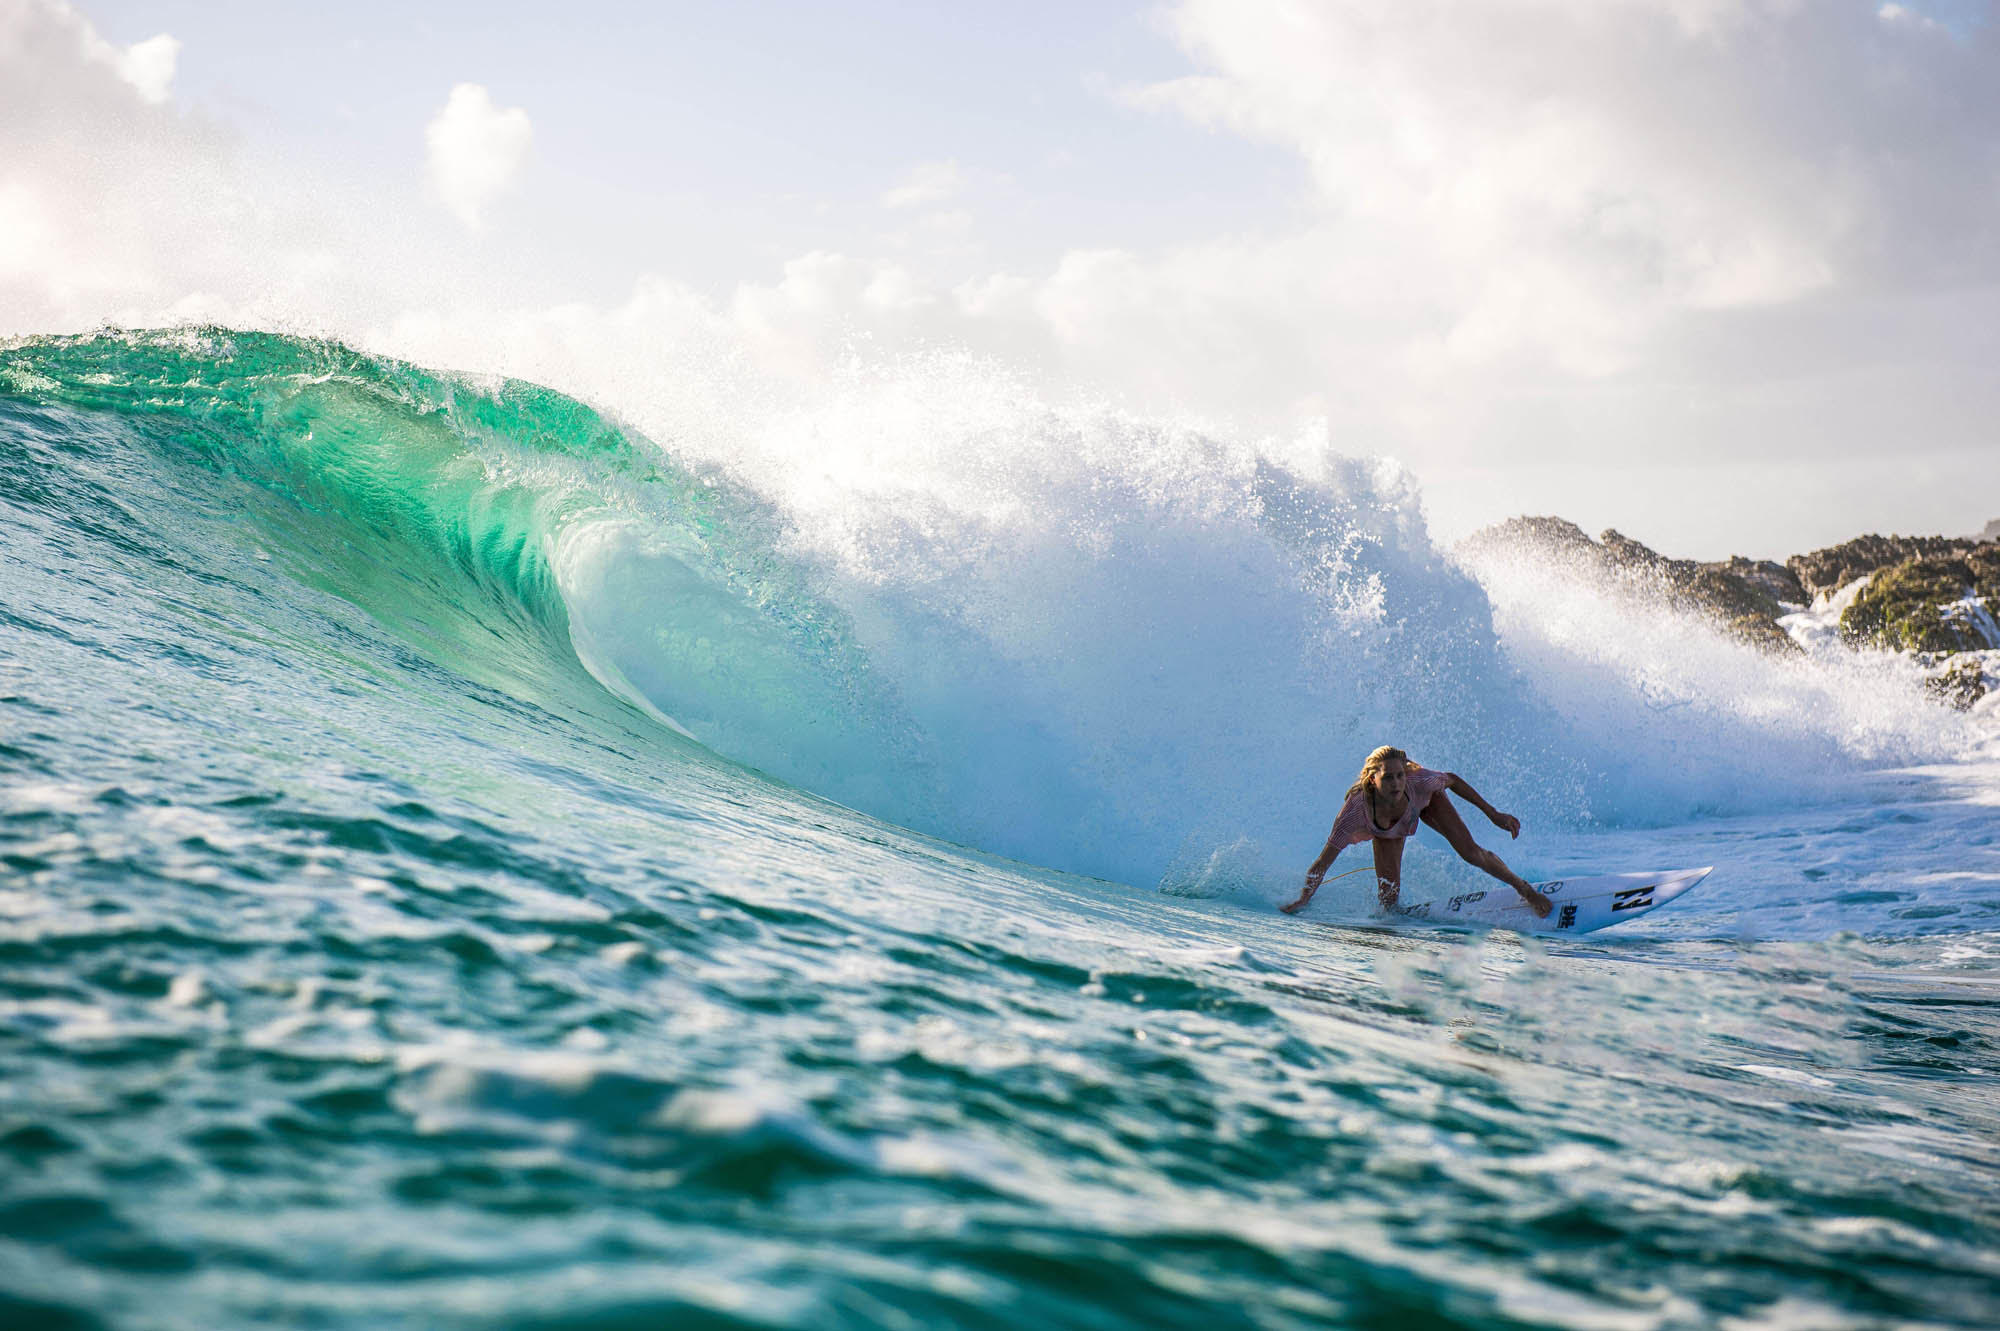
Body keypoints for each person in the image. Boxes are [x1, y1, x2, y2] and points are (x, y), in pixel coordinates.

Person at [1280, 746, 1553, 918]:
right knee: (1388, 899)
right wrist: (1303, 899)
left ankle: (1525, 890)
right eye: (1388, 777)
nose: (1396, 783)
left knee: (1471, 853)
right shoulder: (1355, 811)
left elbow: (1453, 780)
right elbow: (1323, 862)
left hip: (1426, 803)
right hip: (1388, 830)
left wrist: (1493, 814)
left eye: (1400, 775)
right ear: (1372, 779)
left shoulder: (1420, 781)